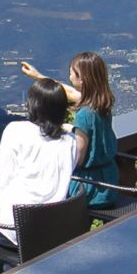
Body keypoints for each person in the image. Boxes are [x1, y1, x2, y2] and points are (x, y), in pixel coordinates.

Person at [0, 77, 78, 249]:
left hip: (16, 228)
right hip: (53, 230)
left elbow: (3, 178)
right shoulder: (71, 141)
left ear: (33, 105)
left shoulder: (16, 131)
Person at [21, 51, 119, 209]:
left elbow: (78, 159)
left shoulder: (84, 115)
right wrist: (38, 76)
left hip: (88, 188)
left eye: (72, 72)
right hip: (108, 183)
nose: (69, 75)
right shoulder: (101, 103)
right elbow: (68, 92)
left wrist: (69, 132)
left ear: (82, 79)